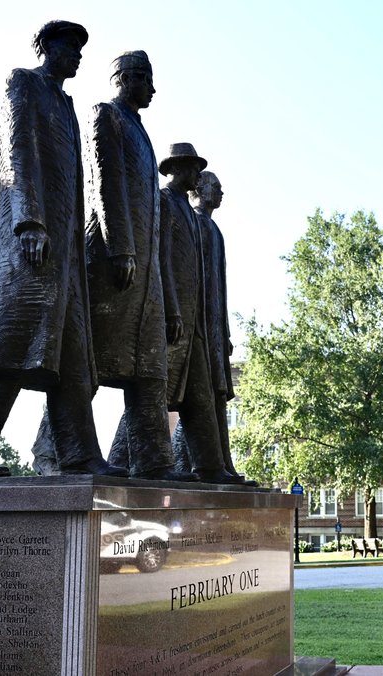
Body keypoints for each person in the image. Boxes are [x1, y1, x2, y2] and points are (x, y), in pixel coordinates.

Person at [0, 20, 120, 478]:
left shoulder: (67, 104)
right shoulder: (23, 83)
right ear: (45, 47)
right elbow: (16, 152)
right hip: (31, 242)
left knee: (71, 360)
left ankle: (78, 452)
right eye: (70, 47)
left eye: (80, 50)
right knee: (10, 343)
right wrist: (29, 221)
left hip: (63, 253)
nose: (78, 56)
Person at [46, 50, 189, 481]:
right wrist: (120, 246)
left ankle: (154, 461)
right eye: (147, 79)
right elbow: (102, 182)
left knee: (149, 368)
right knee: (85, 366)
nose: (153, 89)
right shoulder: (103, 115)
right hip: (112, 261)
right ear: (126, 78)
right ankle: (54, 451)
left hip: (144, 271)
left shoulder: (140, 129)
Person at [158, 144, 247, 484]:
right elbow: (168, 261)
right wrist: (174, 310)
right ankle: (185, 463)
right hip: (184, 320)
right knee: (168, 393)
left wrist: (221, 331)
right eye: (215, 186)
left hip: (206, 327)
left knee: (206, 398)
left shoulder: (211, 230)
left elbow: (216, 288)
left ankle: (214, 465)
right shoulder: (179, 211)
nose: (220, 192)